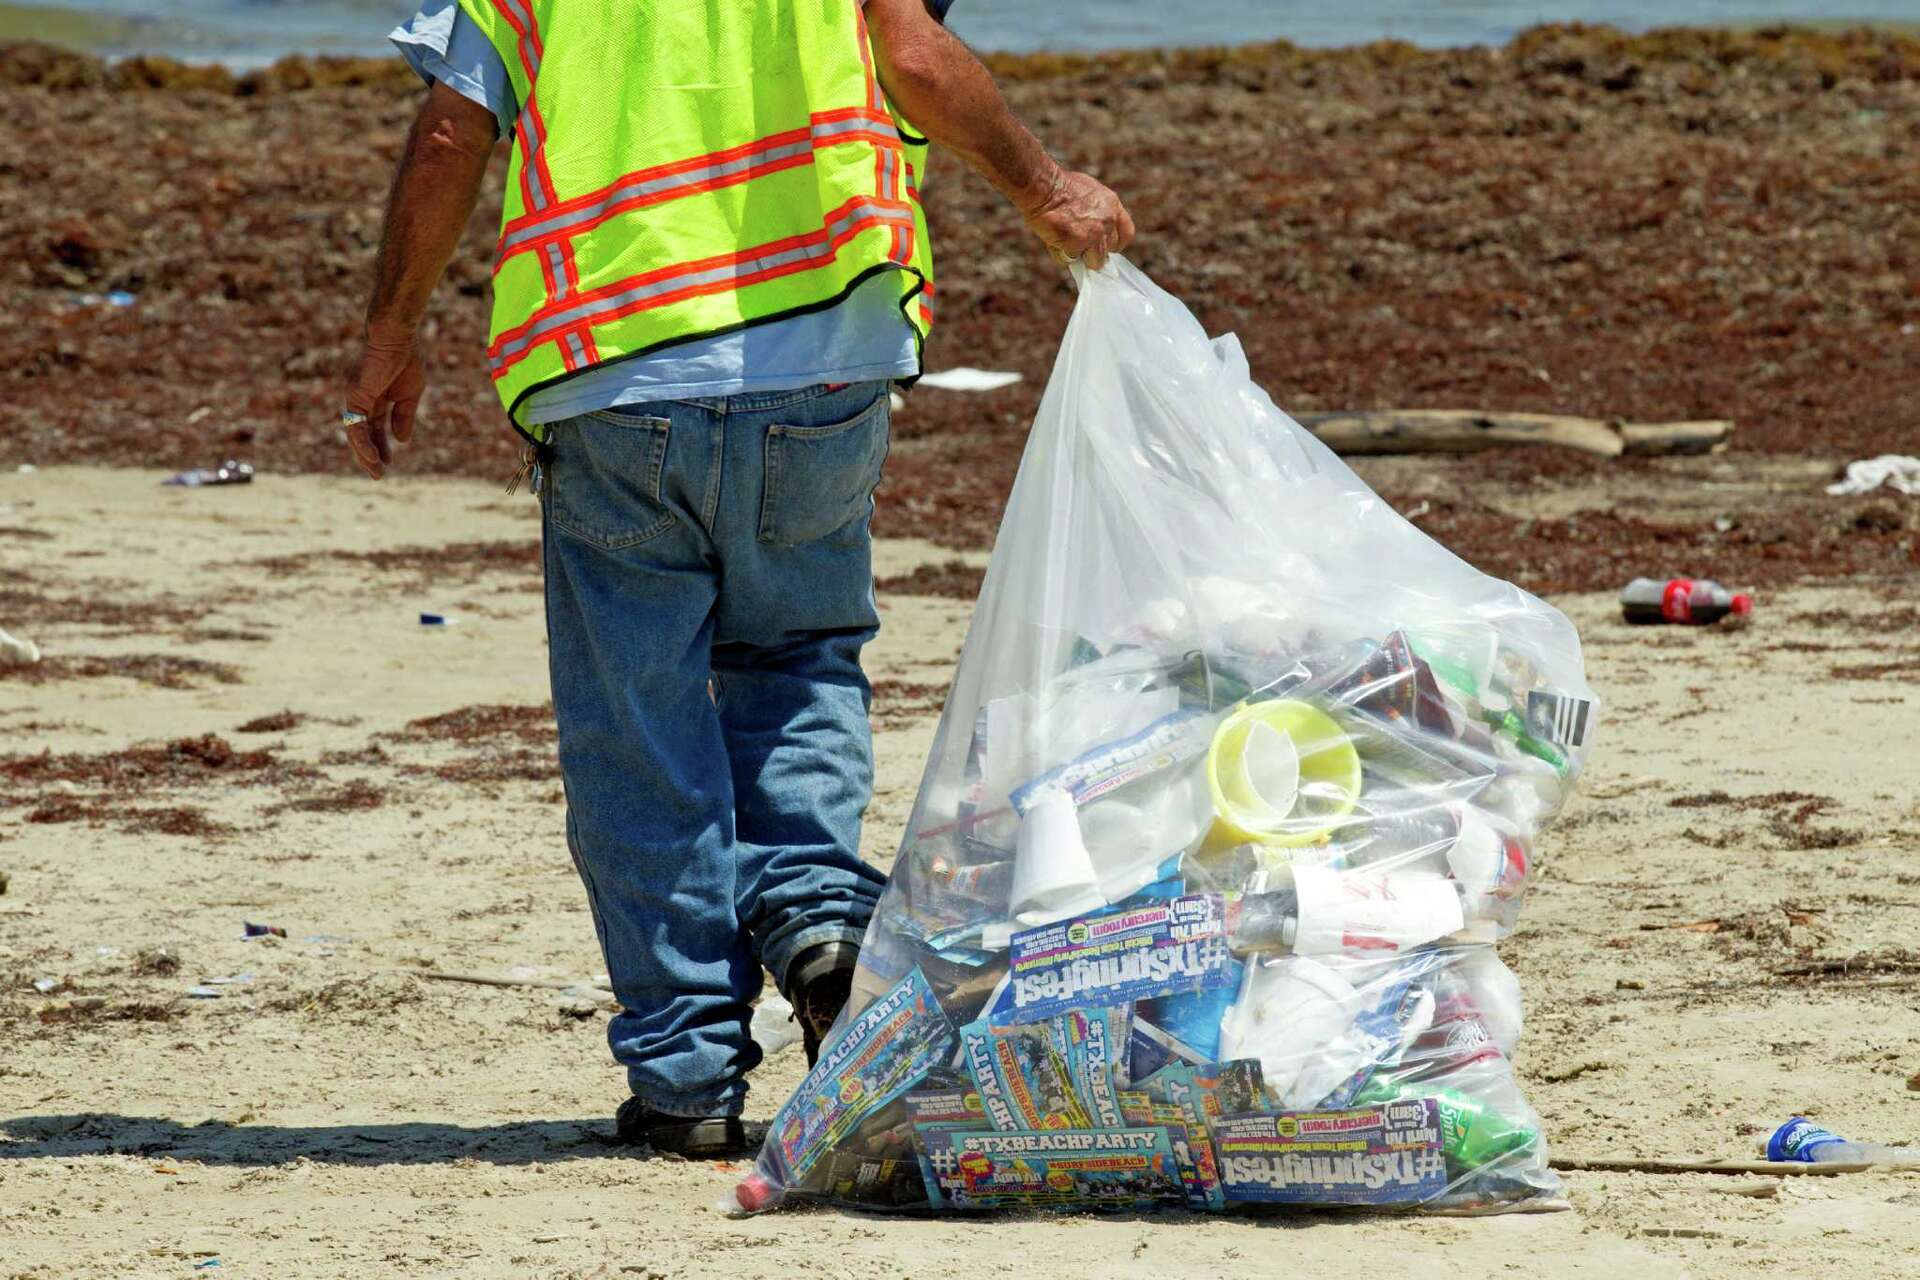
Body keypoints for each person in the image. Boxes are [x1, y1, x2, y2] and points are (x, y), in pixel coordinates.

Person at [343, 0, 1134, 1158]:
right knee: (799, 663)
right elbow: (914, 54)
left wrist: (390, 331)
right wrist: (1042, 183)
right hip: (826, 354)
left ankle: (685, 1076)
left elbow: (454, 136)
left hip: (611, 367)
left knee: (638, 722)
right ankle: (819, 928)